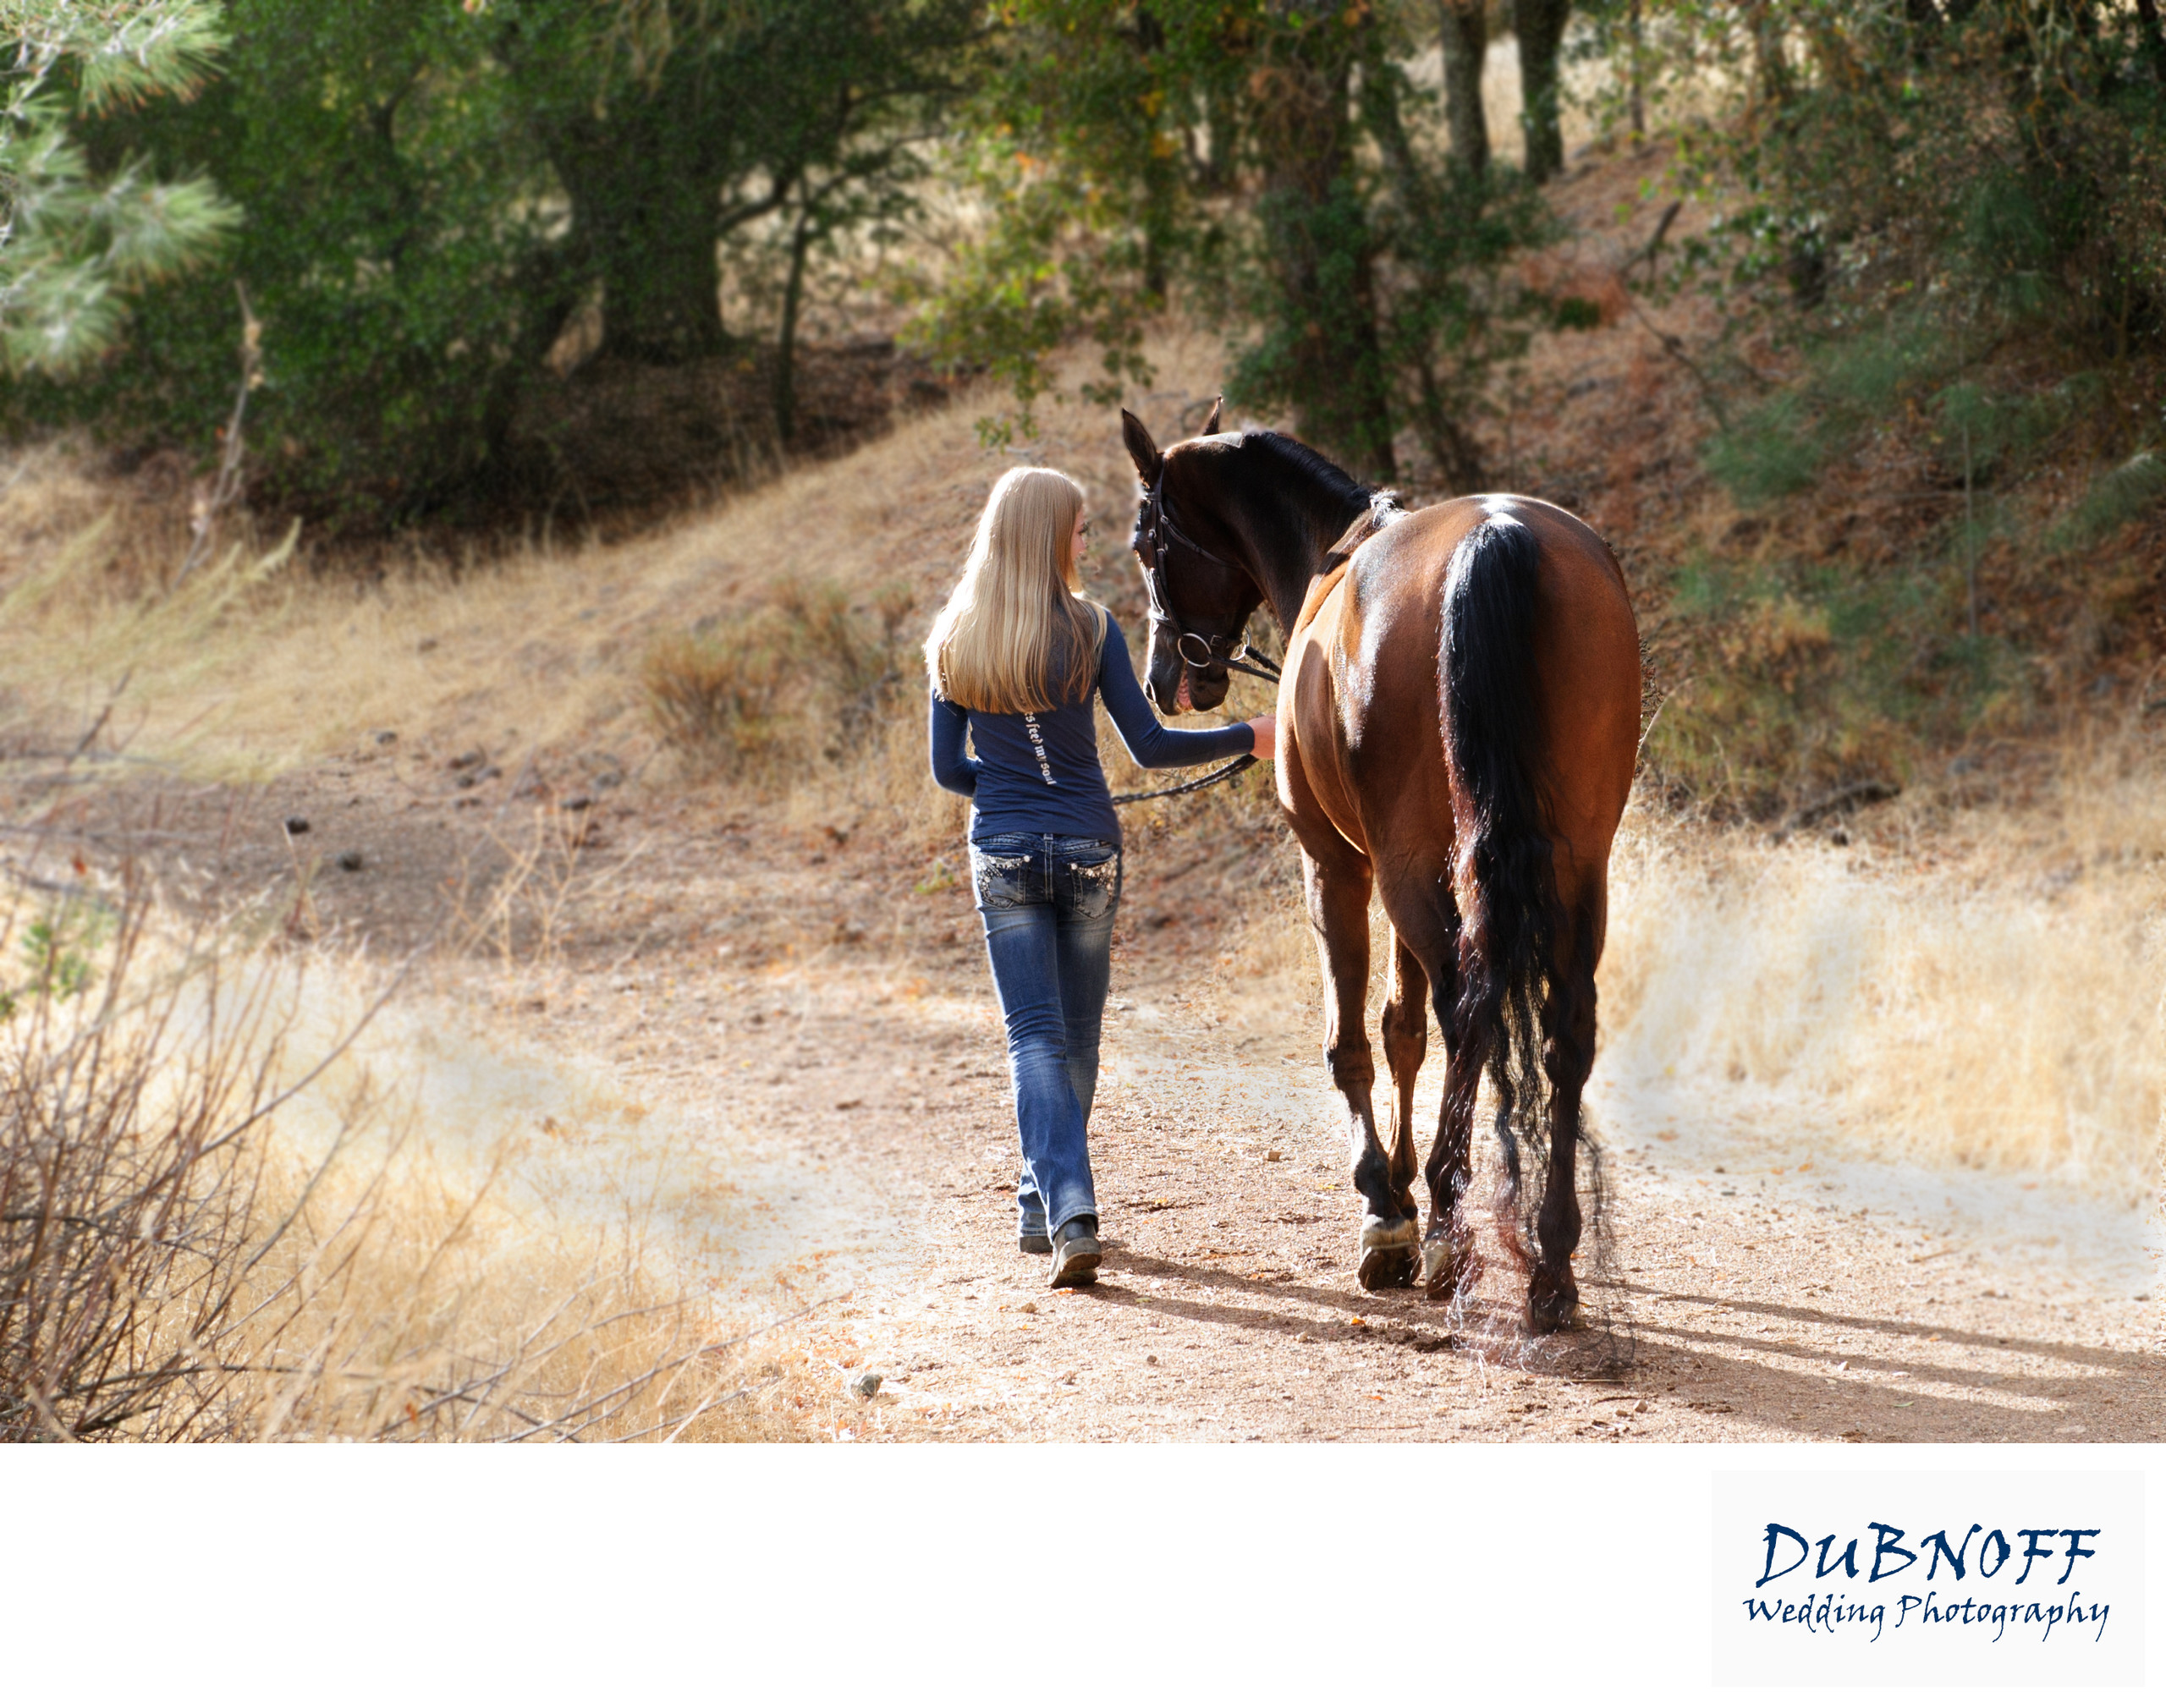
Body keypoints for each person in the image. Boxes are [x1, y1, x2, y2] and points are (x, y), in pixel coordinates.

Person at [926, 465, 1276, 1288]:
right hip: (1087, 848)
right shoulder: (1090, 627)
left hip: (1004, 853)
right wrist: (1250, 734)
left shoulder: (954, 635)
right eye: (1080, 529)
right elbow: (1150, 747)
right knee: (1075, 1037)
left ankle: (1049, 1204)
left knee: (1034, 1040)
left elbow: (949, 770)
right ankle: (1064, 1208)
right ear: (1049, 536)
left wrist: (1012, 795)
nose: (1086, 542)